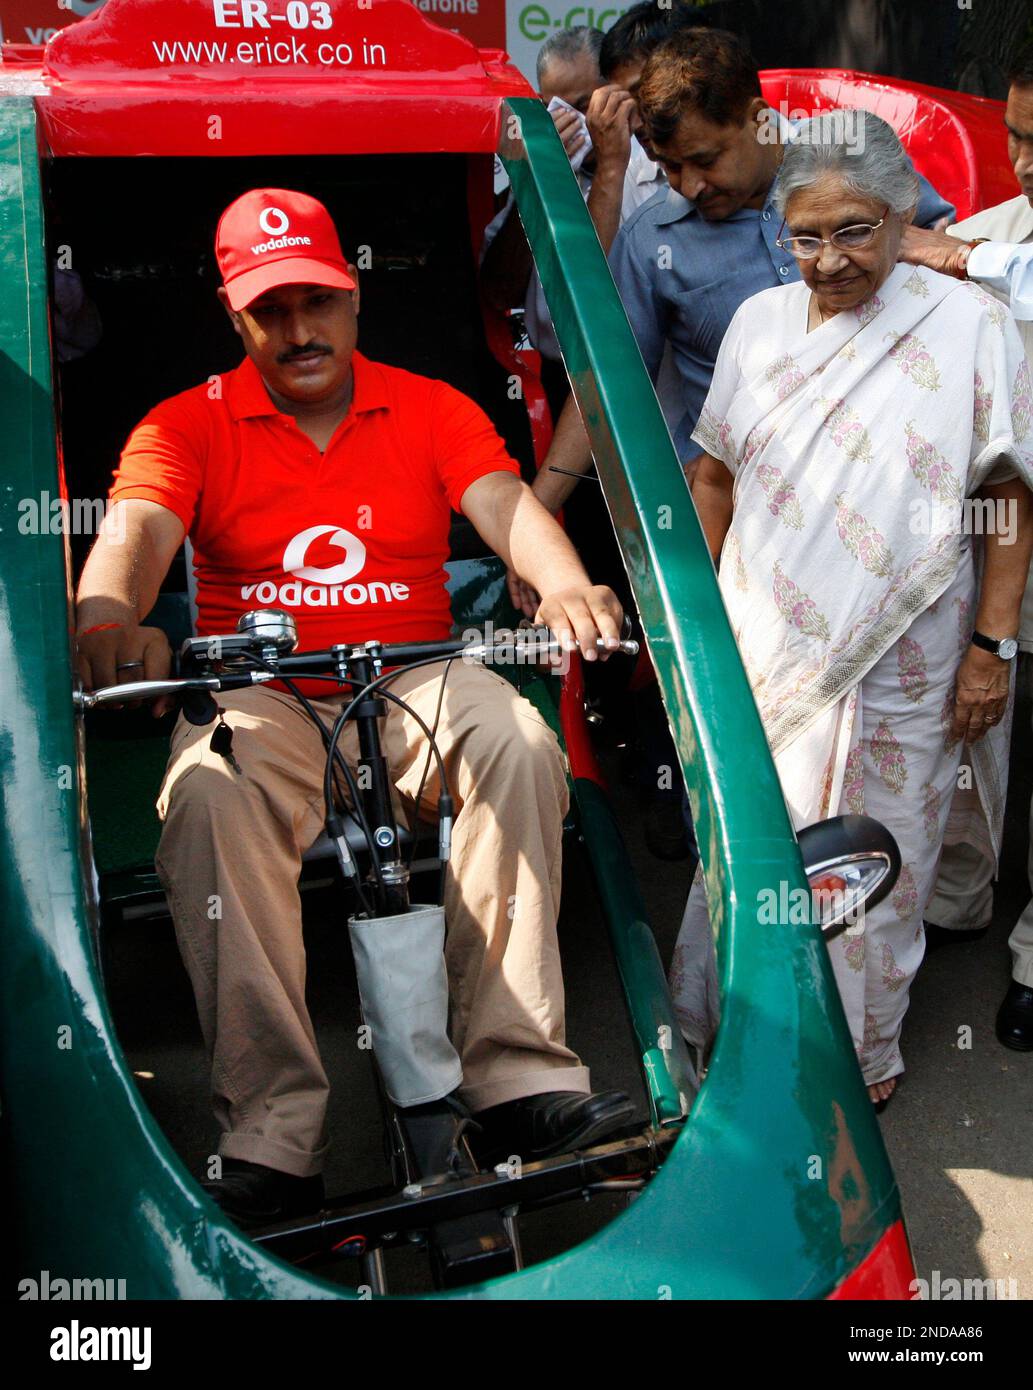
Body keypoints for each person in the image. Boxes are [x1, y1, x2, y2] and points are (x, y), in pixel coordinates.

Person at [74, 188, 634, 1222]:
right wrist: (110, 617)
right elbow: (137, 529)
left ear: (353, 296)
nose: (298, 331)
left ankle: (518, 1077)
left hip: (414, 674)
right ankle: (273, 1129)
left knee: (516, 738)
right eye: (269, 310)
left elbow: (502, 502)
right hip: (267, 691)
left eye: (316, 303)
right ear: (233, 316)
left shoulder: (429, 405)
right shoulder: (184, 421)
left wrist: (559, 579)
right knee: (208, 791)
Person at [669, 112, 1033, 1106]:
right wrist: (690, 630)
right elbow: (712, 479)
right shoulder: (758, 325)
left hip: (910, 651)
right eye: (805, 234)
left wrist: (990, 646)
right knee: (749, 839)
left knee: (883, 859)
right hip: (762, 642)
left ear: (898, 213)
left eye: (854, 230)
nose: (827, 259)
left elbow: (1004, 496)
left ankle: (856, 1057)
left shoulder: (969, 327)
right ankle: (731, 1037)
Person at [899, 39, 1033, 1050]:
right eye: (1019, 139)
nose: (1027, 165)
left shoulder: (977, 254)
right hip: (992, 530)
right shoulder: (976, 240)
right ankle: (956, 900)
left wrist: (968, 260)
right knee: (974, 729)